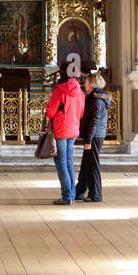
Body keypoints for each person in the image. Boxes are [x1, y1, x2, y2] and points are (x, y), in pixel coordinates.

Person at [45, 60, 85, 205]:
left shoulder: (60, 89)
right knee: (69, 161)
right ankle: (71, 195)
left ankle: (67, 196)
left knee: (61, 162)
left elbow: (50, 111)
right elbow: (81, 113)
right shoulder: (79, 91)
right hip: (73, 128)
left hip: (61, 129)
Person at [75, 72, 112, 203]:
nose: (83, 83)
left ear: (92, 83)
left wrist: (88, 140)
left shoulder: (96, 99)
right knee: (86, 165)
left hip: (94, 136)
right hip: (95, 135)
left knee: (93, 165)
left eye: (86, 81)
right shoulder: (94, 97)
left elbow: (94, 121)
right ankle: (79, 191)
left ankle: (96, 194)